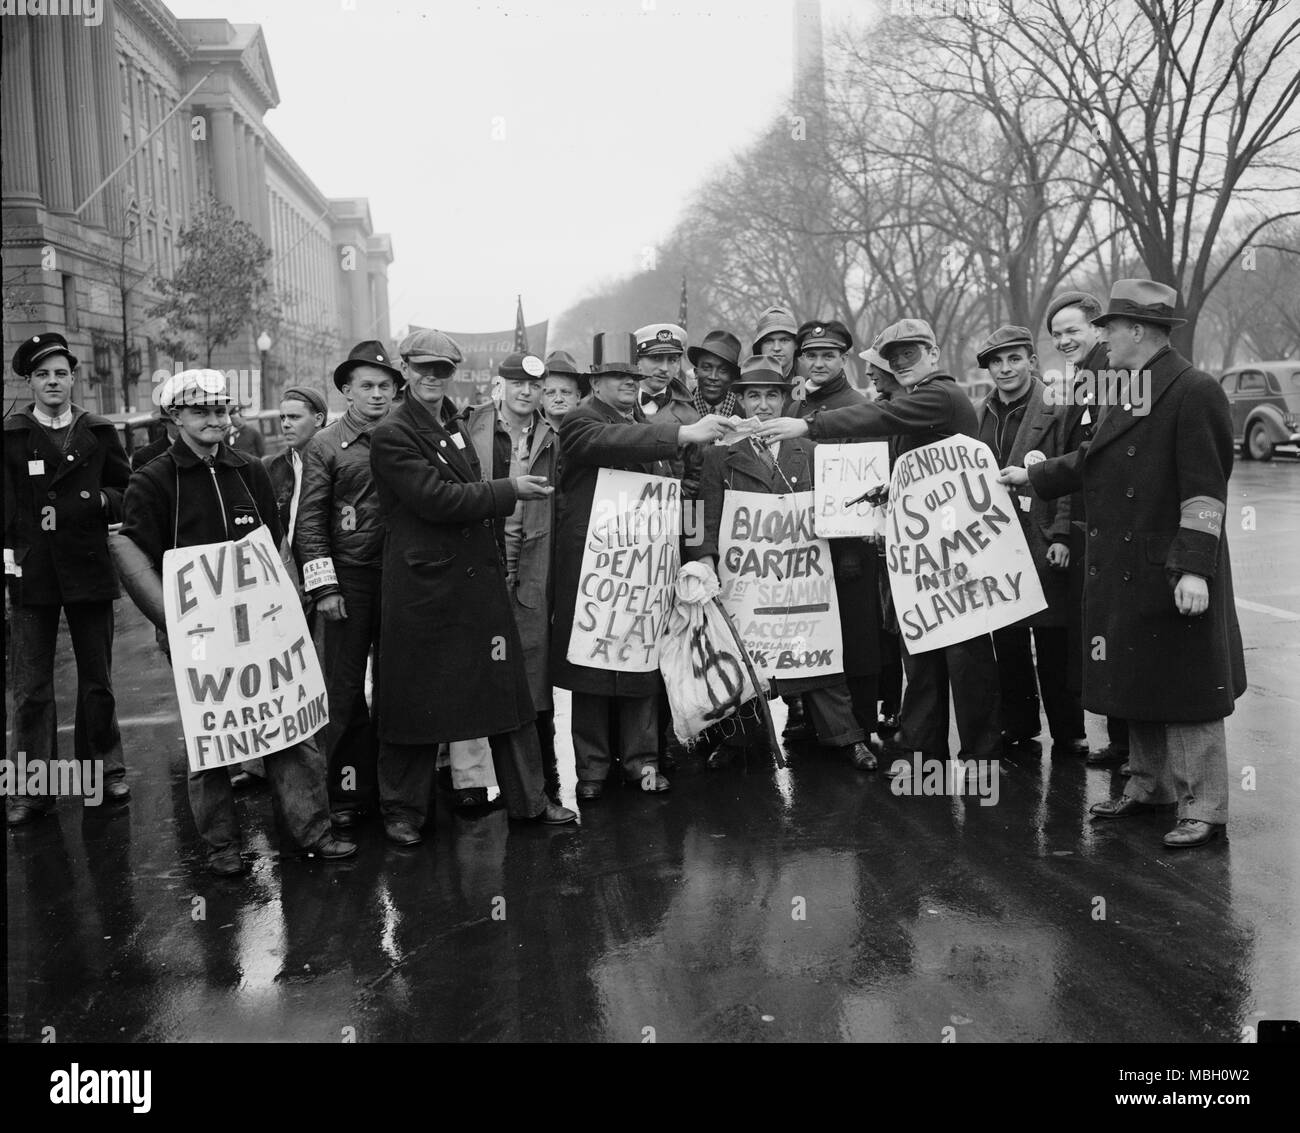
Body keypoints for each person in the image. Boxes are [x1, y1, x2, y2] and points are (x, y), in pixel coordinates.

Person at [1002, 279, 1246, 848]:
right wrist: (1033, 477)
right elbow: (1092, 459)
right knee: (1136, 678)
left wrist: (1194, 568)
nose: (1101, 338)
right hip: (1123, 564)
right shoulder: (1126, 387)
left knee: (1188, 688)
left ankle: (1203, 806)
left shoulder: (1194, 390)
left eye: (1108, 328)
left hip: (1171, 565)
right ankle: (1149, 786)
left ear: (1138, 331)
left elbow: (1207, 492)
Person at [114, 368, 354, 875]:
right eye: (201, 411)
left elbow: (273, 545)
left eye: (221, 409)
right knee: (212, 738)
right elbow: (139, 561)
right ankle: (222, 847)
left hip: (262, 628)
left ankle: (314, 831)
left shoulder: (250, 469)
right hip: (198, 636)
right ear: (174, 418)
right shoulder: (153, 479)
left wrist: (292, 608)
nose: (215, 419)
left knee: (290, 727)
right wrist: (172, 624)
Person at [757, 318, 1002, 768]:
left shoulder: (940, 394)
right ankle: (923, 748)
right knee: (923, 651)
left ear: (934, 353)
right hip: (926, 544)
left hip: (955, 546)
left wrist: (806, 425)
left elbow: (880, 415)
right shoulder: (916, 398)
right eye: (895, 357)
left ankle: (980, 755)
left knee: (964, 656)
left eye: (911, 353)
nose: (901, 363)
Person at [369, 333, 576, 845]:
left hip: (473, 585)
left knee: (507, 699)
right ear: (406, 369)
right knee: (414, 702)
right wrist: (510, 490)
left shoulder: (451, 424)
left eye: (442, 369)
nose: (432, 377)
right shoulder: (393, 433)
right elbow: (435, 499)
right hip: (423, 590)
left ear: (453, 372)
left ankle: (529, 801)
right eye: (423, 368)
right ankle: (402, 813)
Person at [550, 331, 734, 800]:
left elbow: (689, 491)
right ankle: (591, 769)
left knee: (642, 663)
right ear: (595, 381)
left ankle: (643, 761)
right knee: (591, 664)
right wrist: (682, 434)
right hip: (597, 570)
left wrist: (696, 554)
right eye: (617, 376)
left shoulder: (657, 418)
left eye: (633, 375)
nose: (629, 383)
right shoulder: (580, 421)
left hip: (646, 566)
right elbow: (609, 441)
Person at [690, 354, 877, 770]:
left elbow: (838, 509)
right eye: (752, 396)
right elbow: (707, 513)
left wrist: (850, 545)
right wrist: (703, 561)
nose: (761, 406)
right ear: (740, 401)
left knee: (818, 651)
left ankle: (846, 736)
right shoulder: (720, 456)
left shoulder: (810, 451)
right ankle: (739, 741)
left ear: (784, 399)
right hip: (746, 582)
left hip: (803, 579)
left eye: (770, 397)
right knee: (743, 659)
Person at [4, 332, 132, 825]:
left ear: (73, 378)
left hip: (88, 568)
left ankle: (104, 771)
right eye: (42, 374)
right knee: (31, 687)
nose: (52, 382)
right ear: (31, 381)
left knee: (96, 679)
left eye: (60, 373)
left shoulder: (96, 431)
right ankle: (33, 787)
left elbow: (126, 489)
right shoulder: (12, 434)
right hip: (32, 572)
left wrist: (100, 502)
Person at [294, 342, 399, 829]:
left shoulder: (407, 436)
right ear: (346, 390)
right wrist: (325, 589)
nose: (377, 394)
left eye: (385, 386)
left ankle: (393, 789)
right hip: (351, 579)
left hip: (404, 578)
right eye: (367, 386)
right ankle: (345, 791)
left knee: (399, 685)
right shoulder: (325, 444)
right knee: (343, 688)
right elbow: (310, 522)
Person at [973, 325, 1086, 757]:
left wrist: (1062, 534)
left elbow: (1070, 475)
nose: (1005, 369)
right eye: (996, 362)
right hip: (995, 543)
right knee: (1008, 641)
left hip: (1042, 536)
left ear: (1031, 362)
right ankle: (1018, 724)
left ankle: (1068, 730)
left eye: (1014, 359)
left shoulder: (1057, 406)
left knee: (1055, 640)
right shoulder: (981, 412)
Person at [780, 320, 883, 758]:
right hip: (801, 543)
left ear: (843, 360)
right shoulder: (794, 405)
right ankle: (815, 720)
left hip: (847, 547)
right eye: (811, 355)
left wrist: (852, 546)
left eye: (829, 355)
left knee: (855, 635)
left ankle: (860, 724)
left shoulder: (856, 406)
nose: (818, 363)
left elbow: (868, 481)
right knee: (809, 630)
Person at [466, 351, 562, 805]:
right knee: (476, 666)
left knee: (528, 664)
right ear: (499, 386)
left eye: (535, 385)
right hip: (481, 553)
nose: (527, 392)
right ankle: (469, 783)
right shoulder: (470, 427)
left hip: (532, 556)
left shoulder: (553, 434)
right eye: (517, 383)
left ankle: (535, 780)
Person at [1047, 290, 1130, 770]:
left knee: (1112, 636)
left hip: (1109, 530)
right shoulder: (1085, 377)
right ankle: (1121, 743)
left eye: (1072, 330)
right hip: (1085, 529)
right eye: (1057, 334)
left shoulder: (1109, 375)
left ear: (1098, 329)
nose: (1063, 340)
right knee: (1097, 635)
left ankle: (1130, 747)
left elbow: (1096, 457)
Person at [751, 305, 810, 741]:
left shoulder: (811, 398)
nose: (776, 347)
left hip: (801, 548)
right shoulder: (739, 418)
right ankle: (747, 727)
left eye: (784, 340)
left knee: (803, 627)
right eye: (768, 341)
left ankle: (804, 709)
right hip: (751, 548)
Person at [861, 344, 903, 738]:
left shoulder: (903, 407)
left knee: (898, 625)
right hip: (876, 528)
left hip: (905, 530)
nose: (870, 372)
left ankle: (895, 707)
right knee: (883, 623)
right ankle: (887, 705)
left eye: (876, 366)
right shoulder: (879, 405)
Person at [634, 322, 701, 498]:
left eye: (672, 360)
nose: (664, 368)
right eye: (656, 358)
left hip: (670, 516)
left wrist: (692, 524)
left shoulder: (690, 418)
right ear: (637, 362)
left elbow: (698, 482)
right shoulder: (616, 407)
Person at [688, 329, 743, 418]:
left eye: (723, 370)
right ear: (696, 372)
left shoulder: (746, 415)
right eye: (706, 368)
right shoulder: (677, 412)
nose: (713, 377)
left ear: (732, 377)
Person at [541, 350, 588, 431]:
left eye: (565, 392)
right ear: (540, 398)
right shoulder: (526, 436)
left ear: (578, 396)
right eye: (551, 393)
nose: (559, 399)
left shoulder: (592, 434)